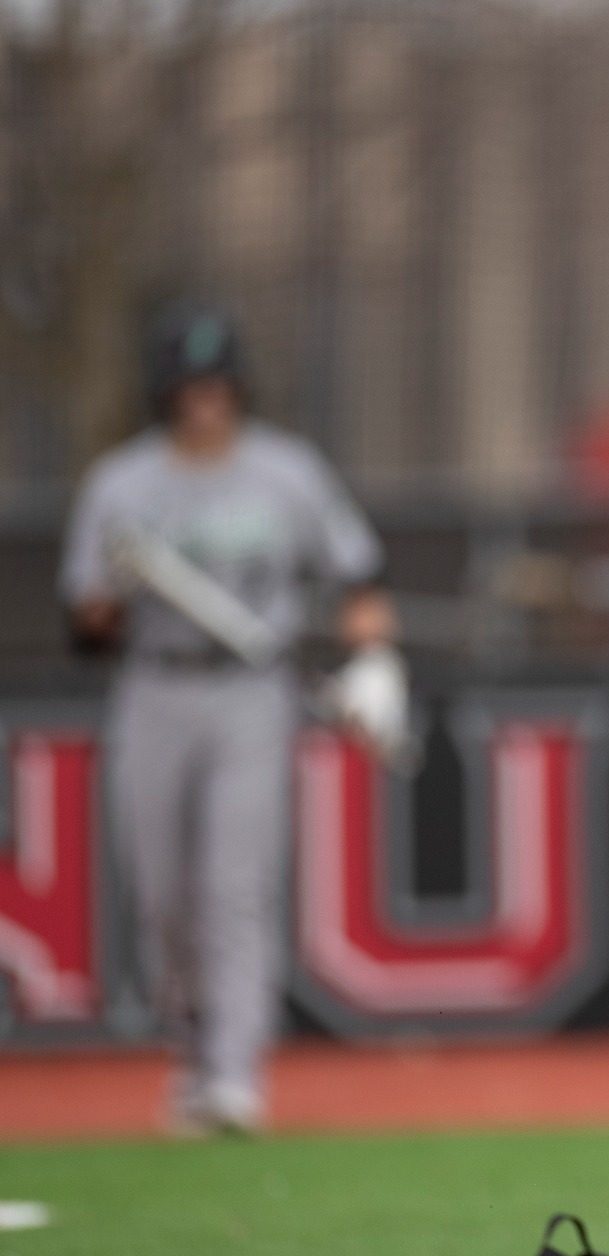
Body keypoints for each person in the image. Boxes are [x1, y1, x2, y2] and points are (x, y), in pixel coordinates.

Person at [60, 303, 398, 1135]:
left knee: (234, 885)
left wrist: (375, 664)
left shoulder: (287, 472)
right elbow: (85, 623)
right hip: (154, 686)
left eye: (216, 385)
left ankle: (233, 1072)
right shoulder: (122, 483)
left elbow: (358, 579)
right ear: (165, 393)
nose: (204, 401)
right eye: (188, 387)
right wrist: (121, 592)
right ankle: (193, 1045)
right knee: (162, 889)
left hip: (253, 690)